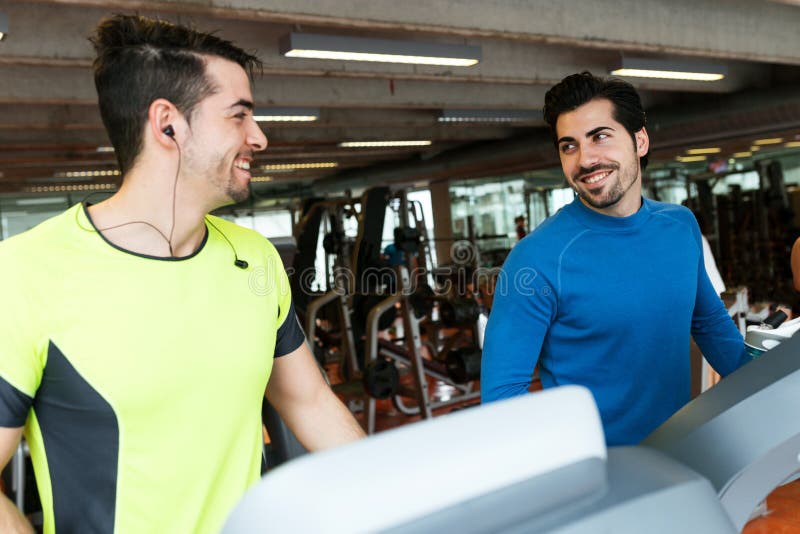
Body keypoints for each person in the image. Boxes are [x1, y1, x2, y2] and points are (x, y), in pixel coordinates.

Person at [0, 15, 364, 534]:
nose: (258, 137)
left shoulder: (253, 256)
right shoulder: (25, 272)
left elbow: (309, 403)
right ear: (168, 123)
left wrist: (397, 497)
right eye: (239, 116)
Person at [481, 72, 749, 446]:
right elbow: (501, 402)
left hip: (680, 455)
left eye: (600, 137)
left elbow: (712, 329)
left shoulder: (679, 226)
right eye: (568, 146)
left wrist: (778, 381)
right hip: (600, 478)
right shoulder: (535, 260)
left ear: (640, 140)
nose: (586, 159)